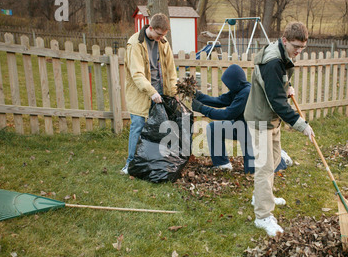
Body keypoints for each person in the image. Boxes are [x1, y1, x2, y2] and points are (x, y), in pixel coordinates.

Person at [244, 22, 315, 237]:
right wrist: (301, 124)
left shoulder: (282, 54)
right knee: (265, 167)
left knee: (275, 159)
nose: (299, 51)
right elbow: (276, 101)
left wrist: (286, 86)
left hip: (270, 119)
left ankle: (262, 194)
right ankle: (263, 215)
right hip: (261, 118)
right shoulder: (273, 61)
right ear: (285, 40)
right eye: (296, 46)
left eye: (303, 47)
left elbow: (274, 85)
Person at [191, 64, 293, 175]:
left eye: (229, 84)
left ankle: (281, 158)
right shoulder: (238, 90)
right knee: (213, 128)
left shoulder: (246, 93)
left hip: (252, 135)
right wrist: (199, 96)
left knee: (252, 171)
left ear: (236, 82)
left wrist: (202, 108)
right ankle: (222, 164)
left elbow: (227, 114)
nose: (228, 87)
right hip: (240, 128)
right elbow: (220, 101)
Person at [121, 13, 178, 174]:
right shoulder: (135, 44)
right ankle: (130, 164)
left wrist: (174, 92)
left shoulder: (164, 43)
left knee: (160, 127)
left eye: (164, 35)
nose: (161, 38)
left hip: (160, 91)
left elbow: (171, 71)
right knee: (138, 125)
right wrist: (151, 92)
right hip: (141, 92)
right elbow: (137, 74)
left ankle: (153, 161)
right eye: (159, 34)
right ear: (150, 28)